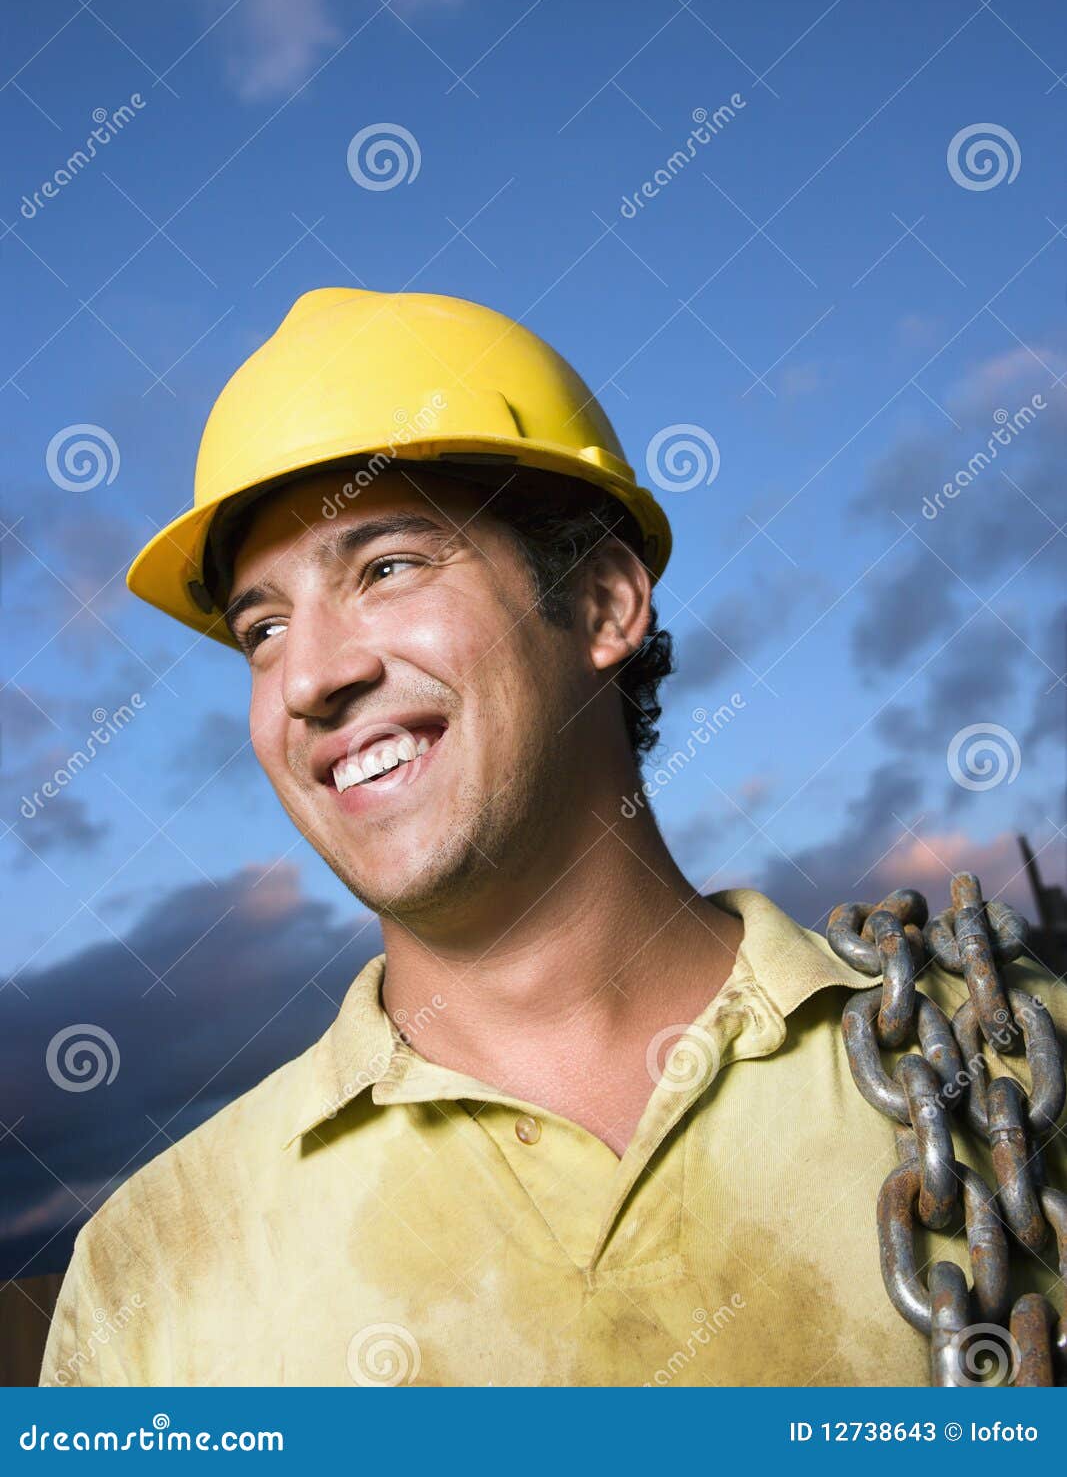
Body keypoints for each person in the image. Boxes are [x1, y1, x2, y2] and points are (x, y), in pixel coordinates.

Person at [40, 288, 1067, 1386]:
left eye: (386, 567)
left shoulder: (999, 1059)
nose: (309, 676)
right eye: (263, 628)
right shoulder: (149, 1275)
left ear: (603, 604)